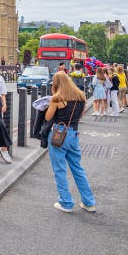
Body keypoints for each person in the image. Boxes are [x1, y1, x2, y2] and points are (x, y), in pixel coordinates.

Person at [46, 71, 96, 213]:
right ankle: (89, 202)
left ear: (56, 83)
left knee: (60, 169)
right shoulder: (81, 96)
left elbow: (49, 117)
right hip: (74, 134)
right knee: (78, 169)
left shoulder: (57, 98)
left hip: (58, 134)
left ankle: (66, 203)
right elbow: (80, 115)